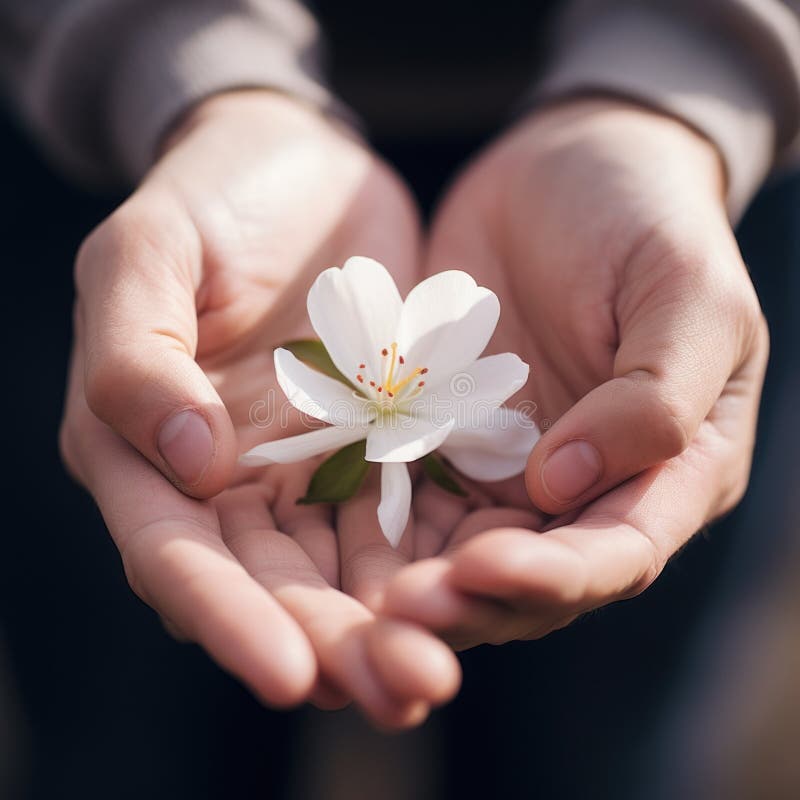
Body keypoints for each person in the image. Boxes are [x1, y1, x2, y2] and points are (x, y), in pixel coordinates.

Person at [1, 0, 797, 730]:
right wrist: (186, 63)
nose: (391, 384)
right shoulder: (334, 379)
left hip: (673, 132)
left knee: (592, 732)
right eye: (384, 377)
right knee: (130, 723)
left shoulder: (443, 395)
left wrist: (676, 86)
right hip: (125, 127)